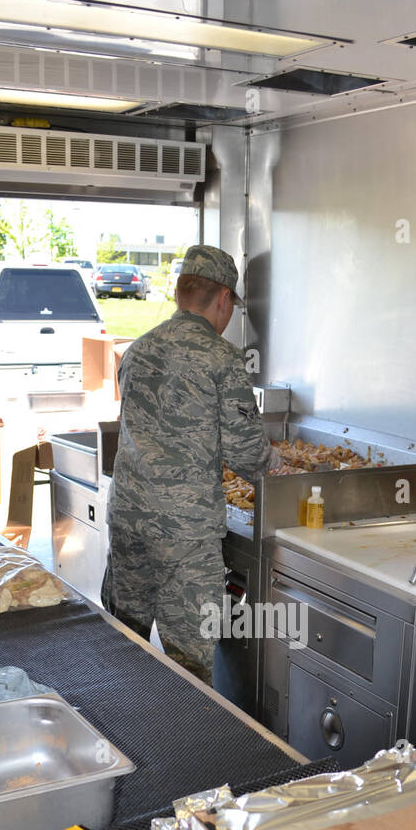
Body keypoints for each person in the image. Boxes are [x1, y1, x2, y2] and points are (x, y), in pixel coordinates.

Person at [104, 244, 278, 683]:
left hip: (128, 521)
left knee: (125, 646)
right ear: (223, 299)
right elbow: (249, 456)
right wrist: (279, 460)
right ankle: (181, 742)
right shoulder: (222, 360)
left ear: (182, 293)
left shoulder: (137, 351)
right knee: (188, 669)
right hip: (184, 534)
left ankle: (121, 735)